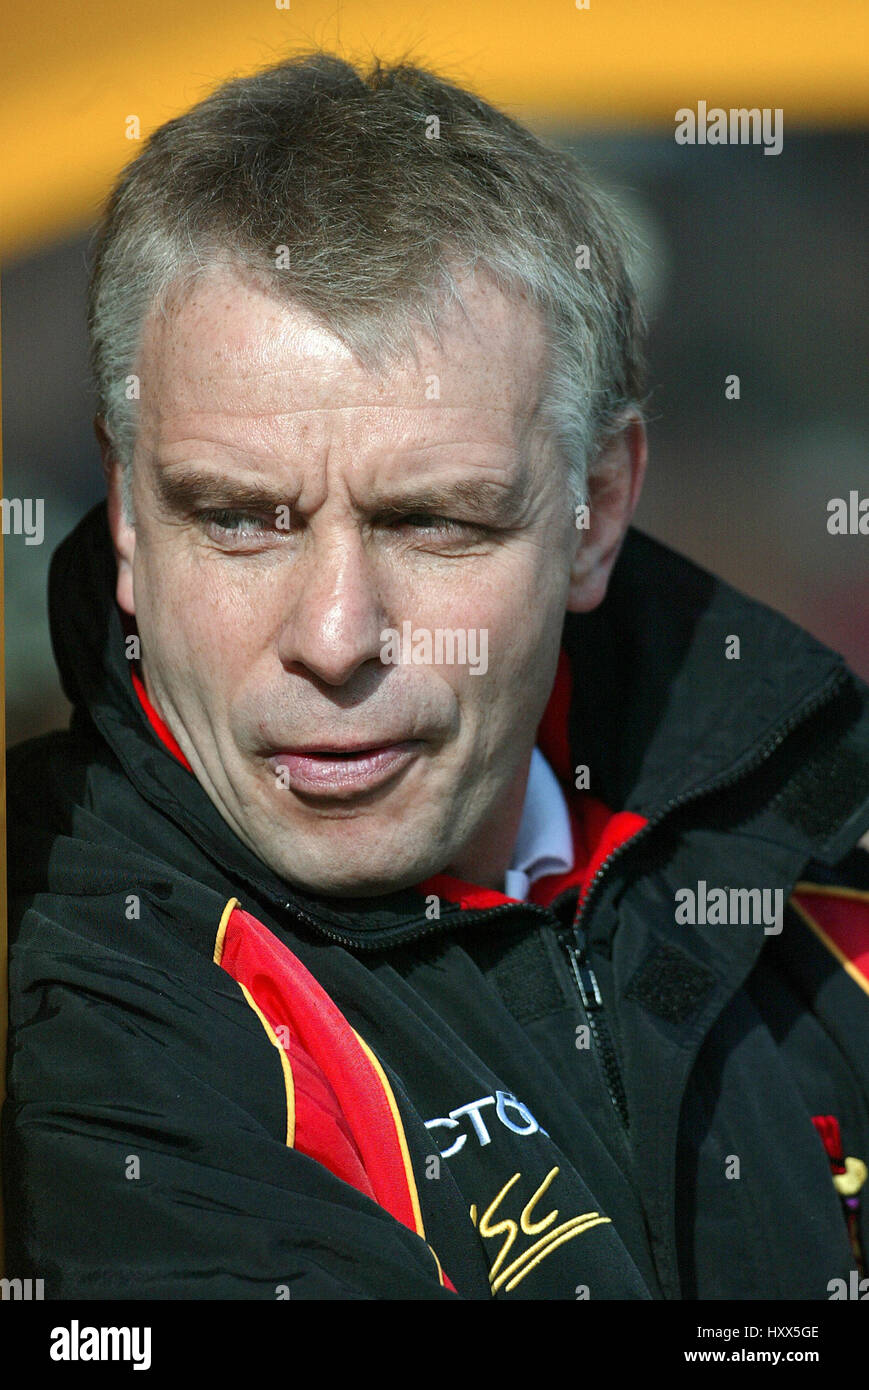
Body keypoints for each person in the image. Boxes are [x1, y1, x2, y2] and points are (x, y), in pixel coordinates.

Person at [4, 51, 868, 1301]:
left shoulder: (813, 843)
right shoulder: (66, 994)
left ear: (596, 508)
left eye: (434, 522)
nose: (338, 634)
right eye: (239, 517)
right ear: (129, 517)